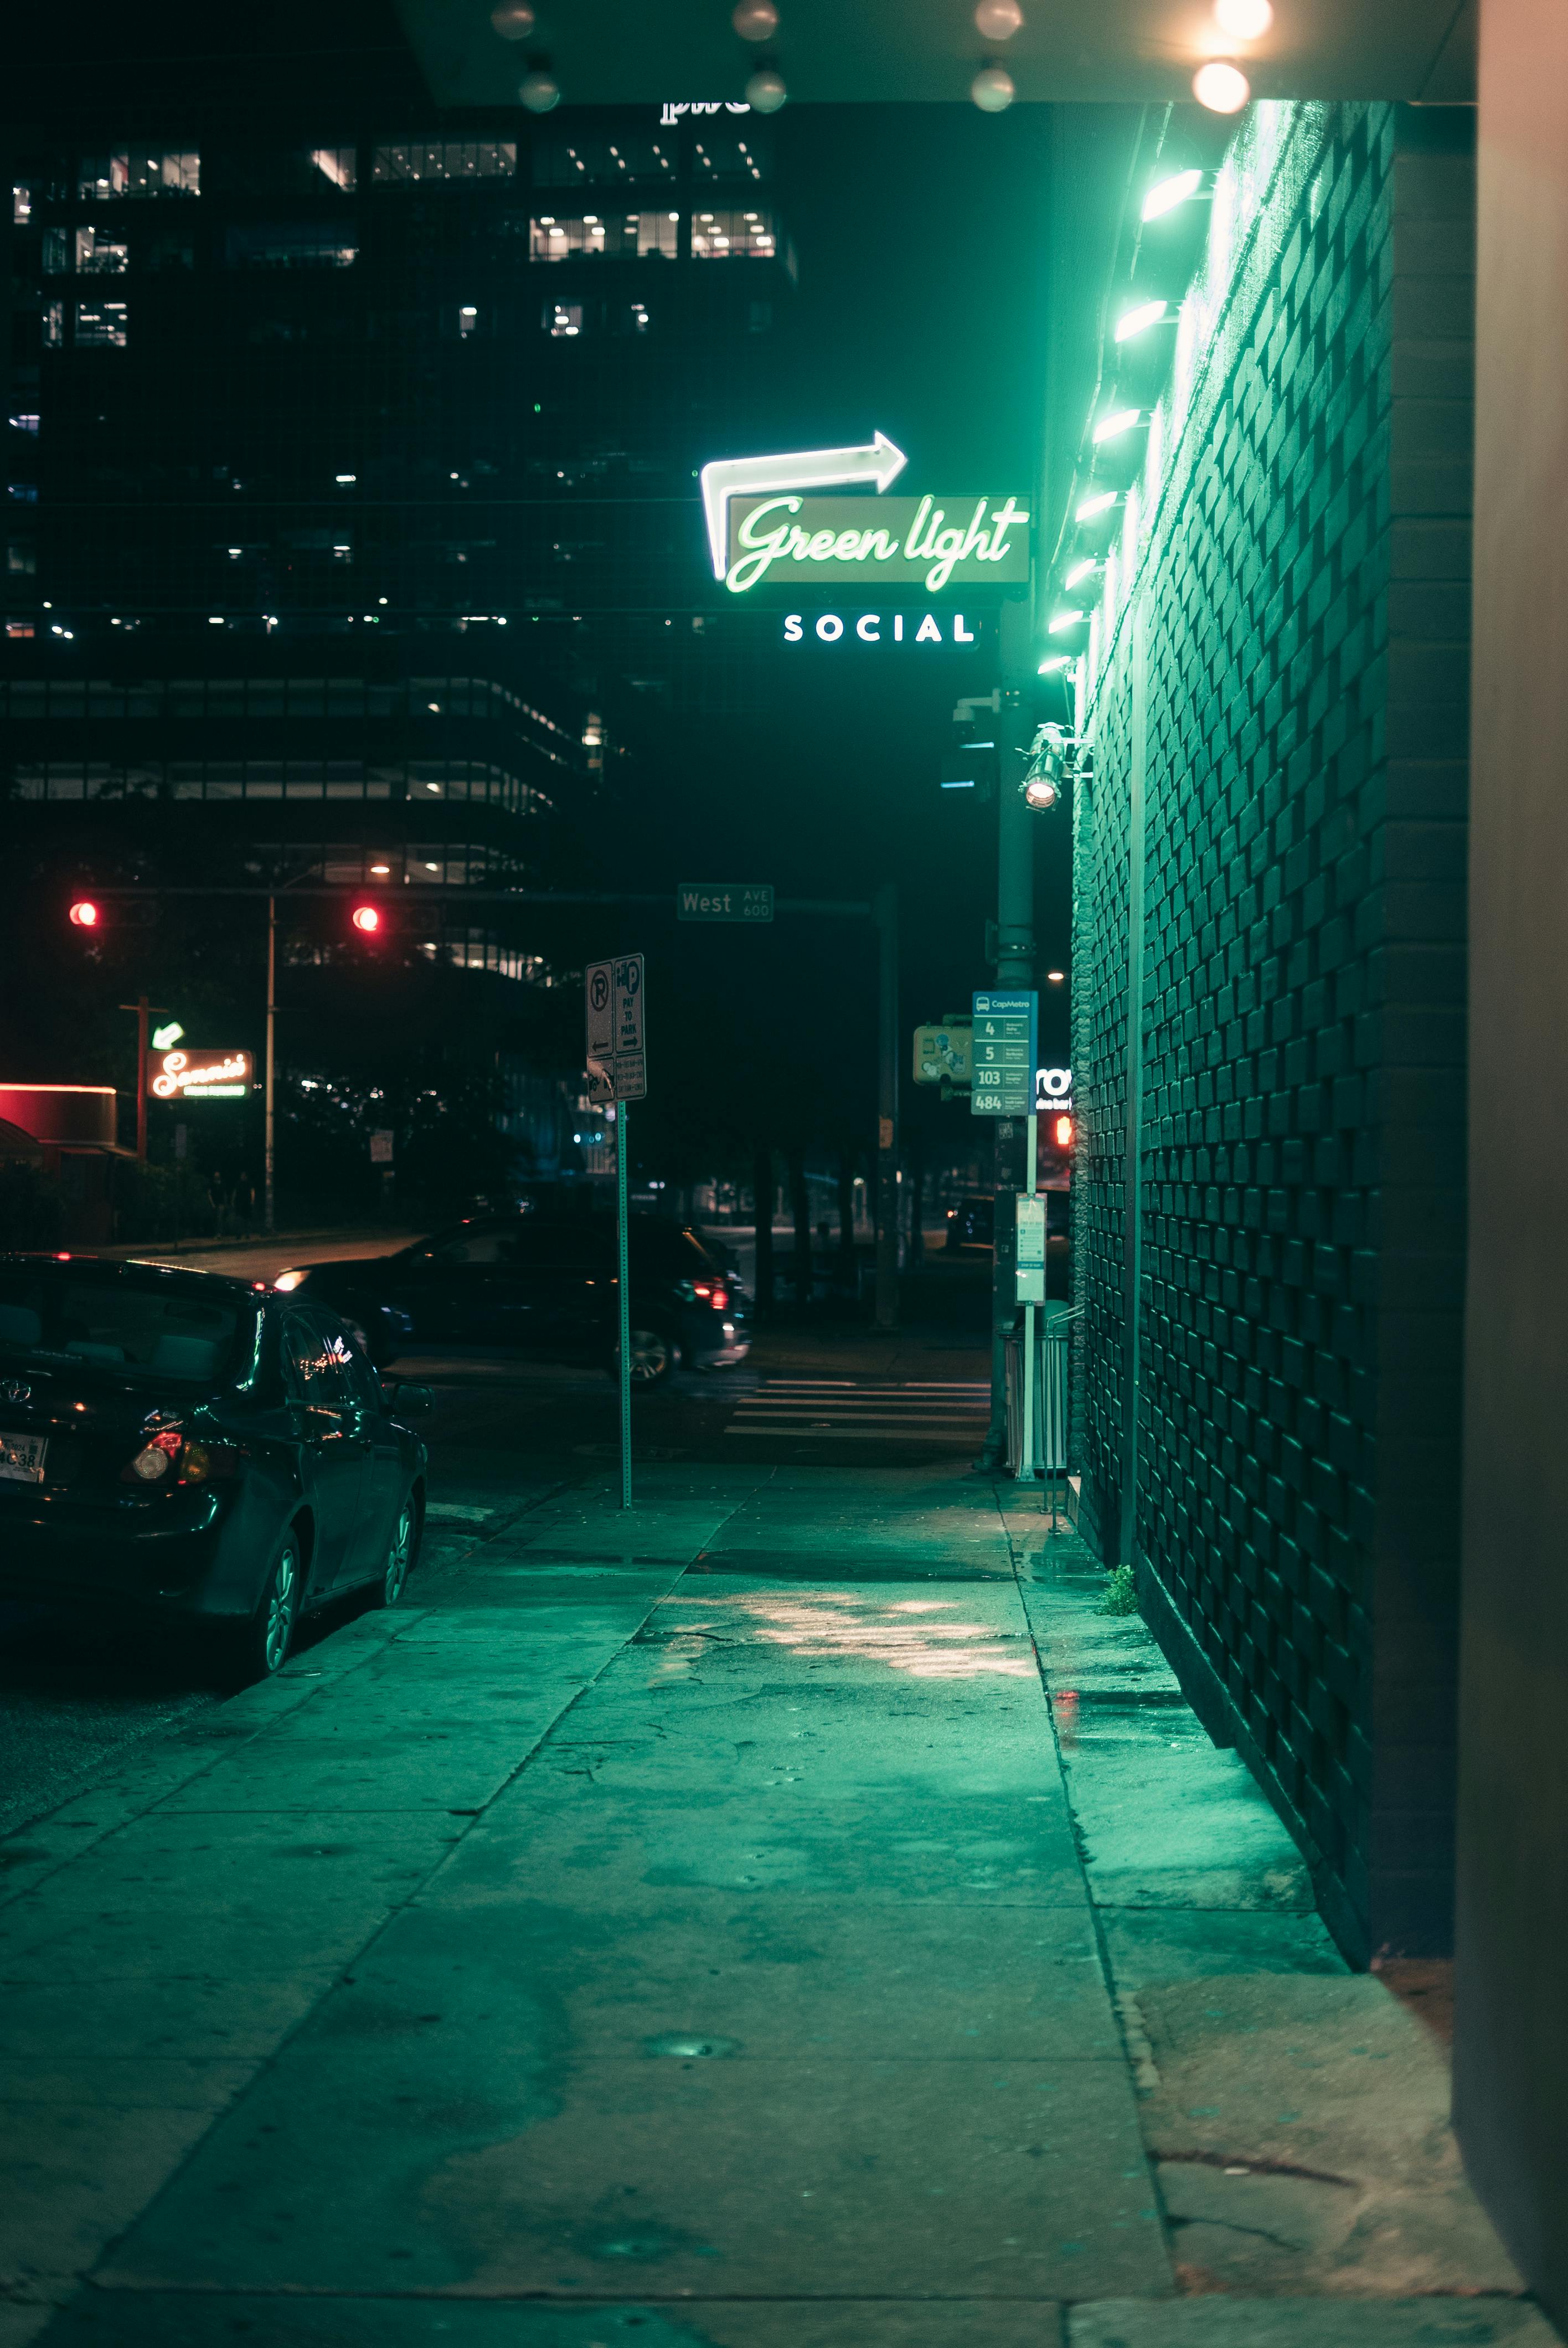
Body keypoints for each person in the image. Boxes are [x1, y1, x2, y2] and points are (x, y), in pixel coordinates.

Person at [232, 1170, 256, 1241]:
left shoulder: (249, 1183)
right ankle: (239, 1235)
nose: (243, 1177)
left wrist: (252, 1200)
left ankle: (247, 1234)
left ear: (246, 1177)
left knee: (247, 1220)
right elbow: (235, 1192)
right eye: (242, 1176)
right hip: (240, 1204)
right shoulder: (238, 1183)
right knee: (239, 1220)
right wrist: (233, 1201)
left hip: (247, 1203)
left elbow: (252, 1191)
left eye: (244, 1176)